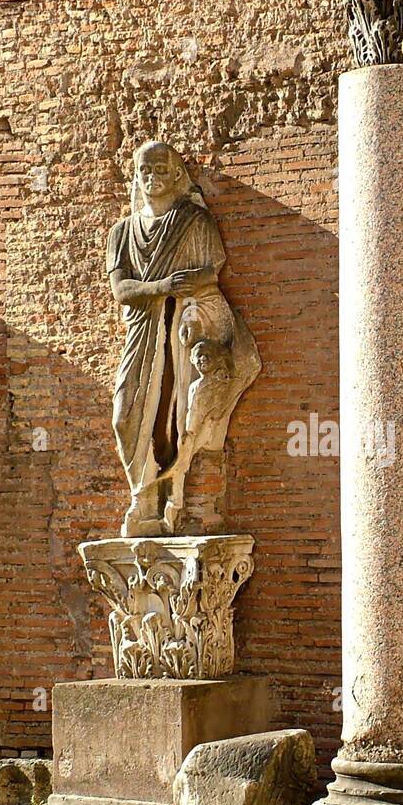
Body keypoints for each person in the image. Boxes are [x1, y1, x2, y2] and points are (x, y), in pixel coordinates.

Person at [107, 141, 259, 534]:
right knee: (125, 414)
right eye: (145, 170)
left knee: (172, 416)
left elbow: (210, 272)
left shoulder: (193, 221)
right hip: (143, 330)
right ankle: (142, 492)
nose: (152, 177)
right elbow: (122, 290)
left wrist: (182, 290)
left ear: (177, 174)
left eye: (161, 168)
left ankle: (156, 502)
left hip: (179, 329)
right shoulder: (122, 232)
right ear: (136, 176)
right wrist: (162, 286)